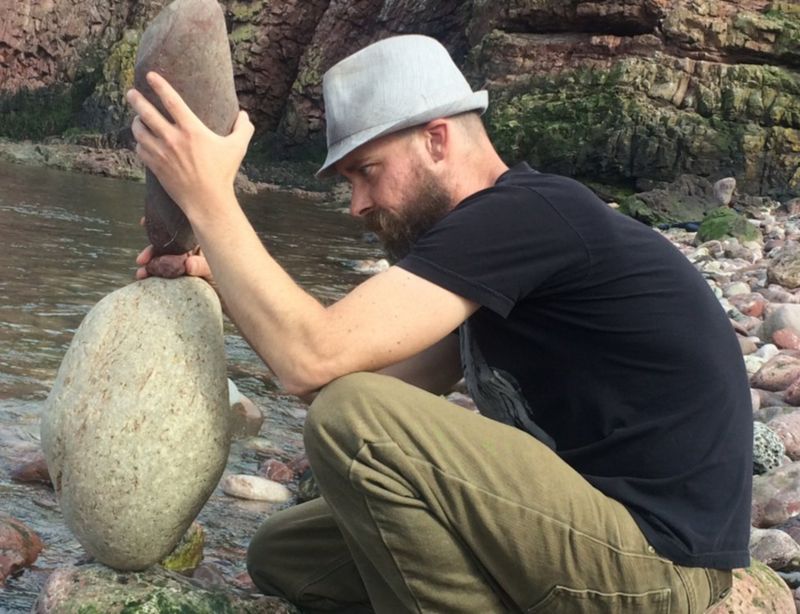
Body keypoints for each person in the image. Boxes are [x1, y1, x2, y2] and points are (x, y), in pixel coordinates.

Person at [127, 34, 752, 613]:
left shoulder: (527, 213)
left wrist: (209, 196)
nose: (357, 205)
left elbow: (320, 368)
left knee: (356, 419)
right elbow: (342, 379)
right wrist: (224, 283)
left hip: (656, 561)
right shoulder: (494, 260)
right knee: (287, 553)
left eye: (367, 171)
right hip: (586, 531)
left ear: (436, 139)